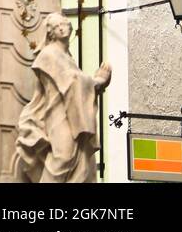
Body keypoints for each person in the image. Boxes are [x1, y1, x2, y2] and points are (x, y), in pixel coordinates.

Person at [14, 13, 112, 183]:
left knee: (81, 164)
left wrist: (95, 83)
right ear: (50, 32)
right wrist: (97, 81)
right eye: (56, 25)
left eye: (64, 23)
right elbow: (70, 81)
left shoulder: (68, 59)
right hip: (57, 115)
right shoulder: (48, 55)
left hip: (70, 115)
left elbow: (74, 82)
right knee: (63, 157)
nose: (61, 27)